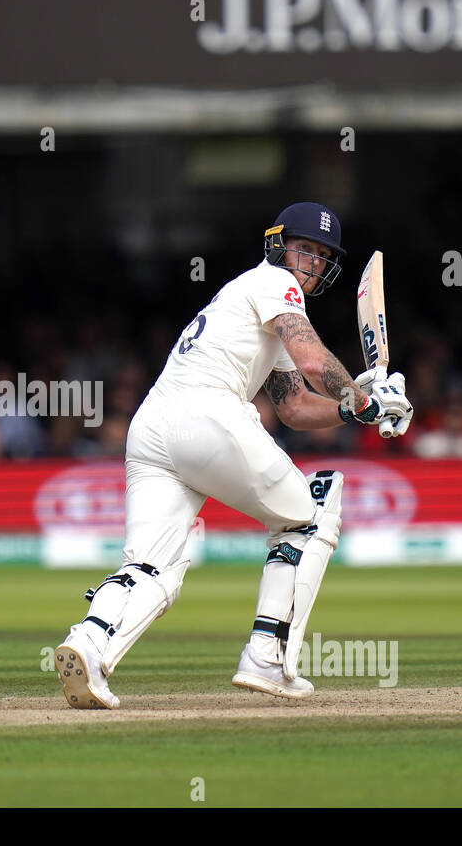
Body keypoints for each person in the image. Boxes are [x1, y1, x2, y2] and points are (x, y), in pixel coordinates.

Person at [54, 202, 413, 708]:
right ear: (278, 244)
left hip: (153, 426)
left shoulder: (257, 304)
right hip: (207, 416)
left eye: (321, 255)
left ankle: (88, 645)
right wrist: (363, 392)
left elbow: (294, 406)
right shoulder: (275, 285)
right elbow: (314, 360)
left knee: (154, 566)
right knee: (309, 517)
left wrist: (358, 410)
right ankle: (268, 656)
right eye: (303, 248)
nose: (310, 262)